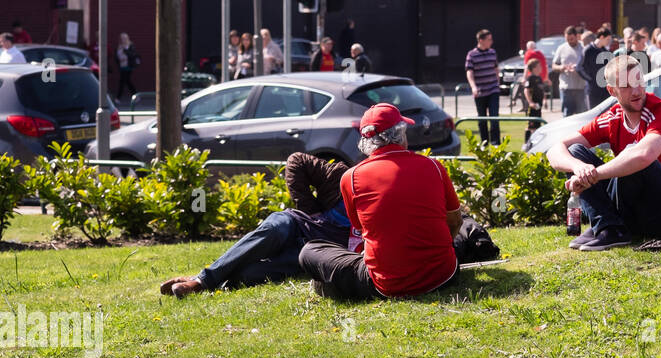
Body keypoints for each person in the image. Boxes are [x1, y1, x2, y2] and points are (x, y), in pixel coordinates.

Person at [299, 103, 462, 300]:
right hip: (444, 275)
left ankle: (329, 286)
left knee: (309, 251)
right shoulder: (433, 166)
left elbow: (361, 229)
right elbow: (455, 221)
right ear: (401, 133)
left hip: (387, 284)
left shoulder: (351, 178)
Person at [546, 53, 661, 251]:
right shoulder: (612, 117)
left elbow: (643, 156)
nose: (636, 90)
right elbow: (555, 150)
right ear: (612, 91)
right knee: (575, 151)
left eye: (639, 81)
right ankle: (608, 226)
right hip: (640, 209)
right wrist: (579, 168)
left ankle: (609, 225)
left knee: (633, 154)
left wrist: (592, 175)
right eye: (626, 86)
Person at [160, 152, 352, 298]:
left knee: (250, 274)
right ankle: (201, 281)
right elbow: (296, 161)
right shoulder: (344, 176)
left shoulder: (379, 204)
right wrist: (313, 212)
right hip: (297, 223)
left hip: (321, 249)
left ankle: (195, 280)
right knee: (274, 230)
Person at [465, 28, 501, 144]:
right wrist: (473, 87)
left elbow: (495, 68)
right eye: (489, 39)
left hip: (493, 89)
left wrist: (498, 82)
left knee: (494, 117)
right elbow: (469, 72)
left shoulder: (492, 52)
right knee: (482, 119)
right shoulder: (472, 55)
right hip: (480, 91)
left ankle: (496, 144)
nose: (491, 41)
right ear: (481, 40)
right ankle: (484, 143)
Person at [553, 25, 586, 117]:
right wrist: (561, 68)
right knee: (567, 115)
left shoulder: (583, 47)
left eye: (571, 39)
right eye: (567, 39)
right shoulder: (561, 48)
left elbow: (588, 65)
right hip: (566, 88)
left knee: (582, 116)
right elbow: (554, 65)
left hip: (581, 88)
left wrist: (578, 68)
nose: (569, 41)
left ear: (576, 36)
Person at [581, 26, 612, 108]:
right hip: (592, 90)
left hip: (604, 90)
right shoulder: (588, 50)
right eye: (608, 39)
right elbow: (579, 68)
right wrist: (590, 79)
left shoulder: (605, 51)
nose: (609, 42)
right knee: (592, 115)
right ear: (601, 37)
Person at [522, 57, 545, 145]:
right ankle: (526, 144)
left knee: (537, 125)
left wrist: (545, 100)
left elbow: (542, 90)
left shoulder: (539, 78)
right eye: (539, 66)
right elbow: (526, 90)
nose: (541, 68)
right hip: (531, 106)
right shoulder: (530, 78)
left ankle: (534, 143)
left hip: (539, 105)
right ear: (534, 68)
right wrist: (530, 102)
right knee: (530, 125)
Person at [114, 32, 139, 101]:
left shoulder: (130, 45)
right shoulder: (119, 46)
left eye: (124, 38)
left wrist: (125, 50)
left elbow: (132, 55)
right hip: (122, 66)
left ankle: (118, 98)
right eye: (122, 38)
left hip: (128, 66)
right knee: (127, 81)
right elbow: (116, 56)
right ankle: (135, 95)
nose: (123, 40)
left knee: (123, 81)